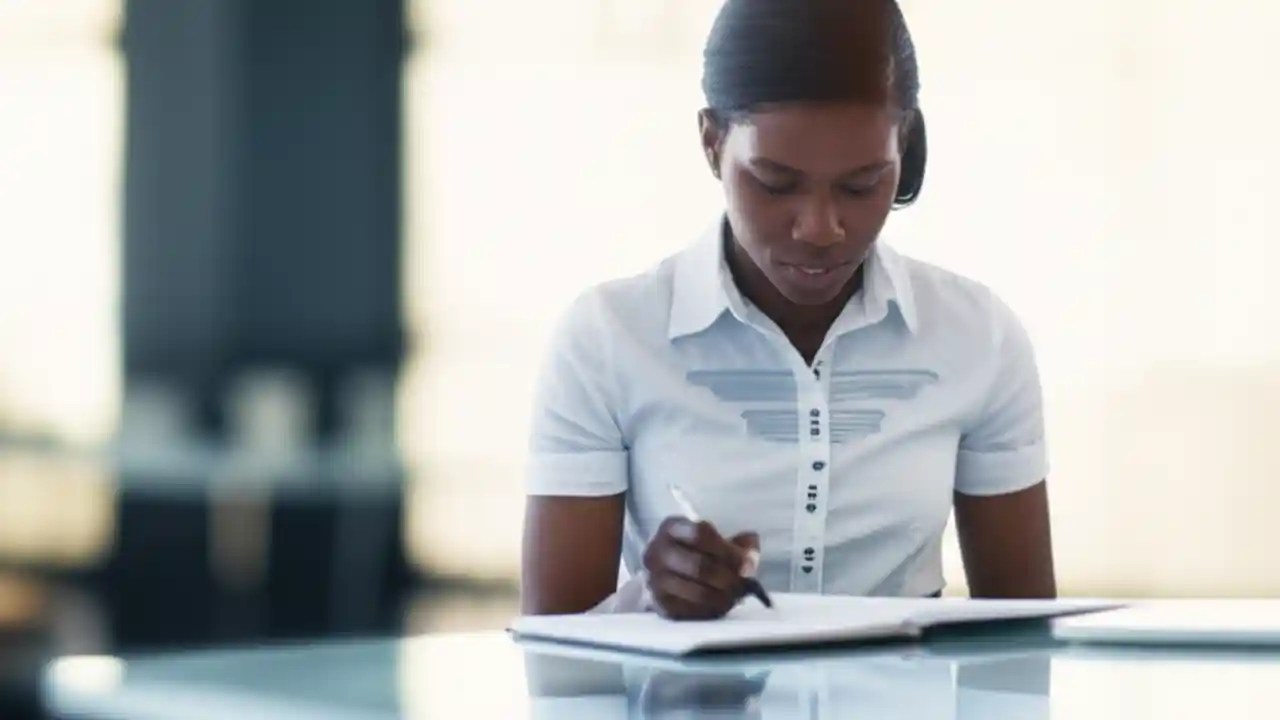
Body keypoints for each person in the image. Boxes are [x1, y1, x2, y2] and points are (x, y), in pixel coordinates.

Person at [521, 0, 1056, 620]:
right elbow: (550, 655)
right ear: (711, 142)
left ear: (905, 148)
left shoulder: (978, 339)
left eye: (862, 185)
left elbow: (1024, 648)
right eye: (775, 184)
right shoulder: (607, 341)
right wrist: (649, 598)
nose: (821, 228)